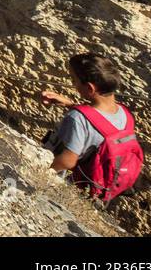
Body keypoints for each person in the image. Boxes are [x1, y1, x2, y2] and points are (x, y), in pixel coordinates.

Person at [40, 52, 144, 202]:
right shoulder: (125, 114)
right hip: (97, 187)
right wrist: (70, 105)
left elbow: (67, 161)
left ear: (89, 88)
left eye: (74, 80)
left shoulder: (76, 119)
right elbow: (100, 125)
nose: (73, 84)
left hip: (68, 187)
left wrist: (39, 172)